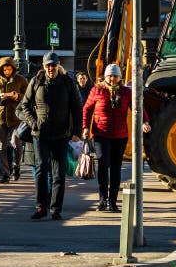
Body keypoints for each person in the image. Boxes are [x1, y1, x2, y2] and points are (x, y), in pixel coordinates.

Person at [17, 52, 82, 220]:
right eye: (48, 66)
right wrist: (33, 123)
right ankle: (40, 207)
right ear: (44, 66)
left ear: (58, 65)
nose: (51, 68)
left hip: (61, 134)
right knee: (41, 169)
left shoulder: (67, 82)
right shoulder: (36, 81)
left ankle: (55, 208)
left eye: (53, 65)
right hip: (41, 134)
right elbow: (25, 104)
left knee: (58, 173)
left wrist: (76, 132)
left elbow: (77, 108)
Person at [82, 63, 150, 212]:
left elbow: (138, 107)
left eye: (115, 76)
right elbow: (87, 109)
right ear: (105, 77)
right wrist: (85, 127)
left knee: (116, 169)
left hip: (120, 136)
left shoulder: (126, 92)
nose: (112, 78)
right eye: (110, 76)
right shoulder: (97, 90)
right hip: (101, 135)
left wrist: (144, 121)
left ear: (120, 77)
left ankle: (113, 202)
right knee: (103, 166)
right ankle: (102, 199)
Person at [0, 56, 28, 182]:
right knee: (1, 146)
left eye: (9, 69)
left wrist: (17, 96)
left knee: (15, 143)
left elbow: (28, 97)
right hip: (1, 117)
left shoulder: (21, 80)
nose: (7, 71)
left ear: (13, 69)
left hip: (16, 117)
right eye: (5, 69)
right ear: (1, 69)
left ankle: (16, 166)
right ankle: (5, 173)